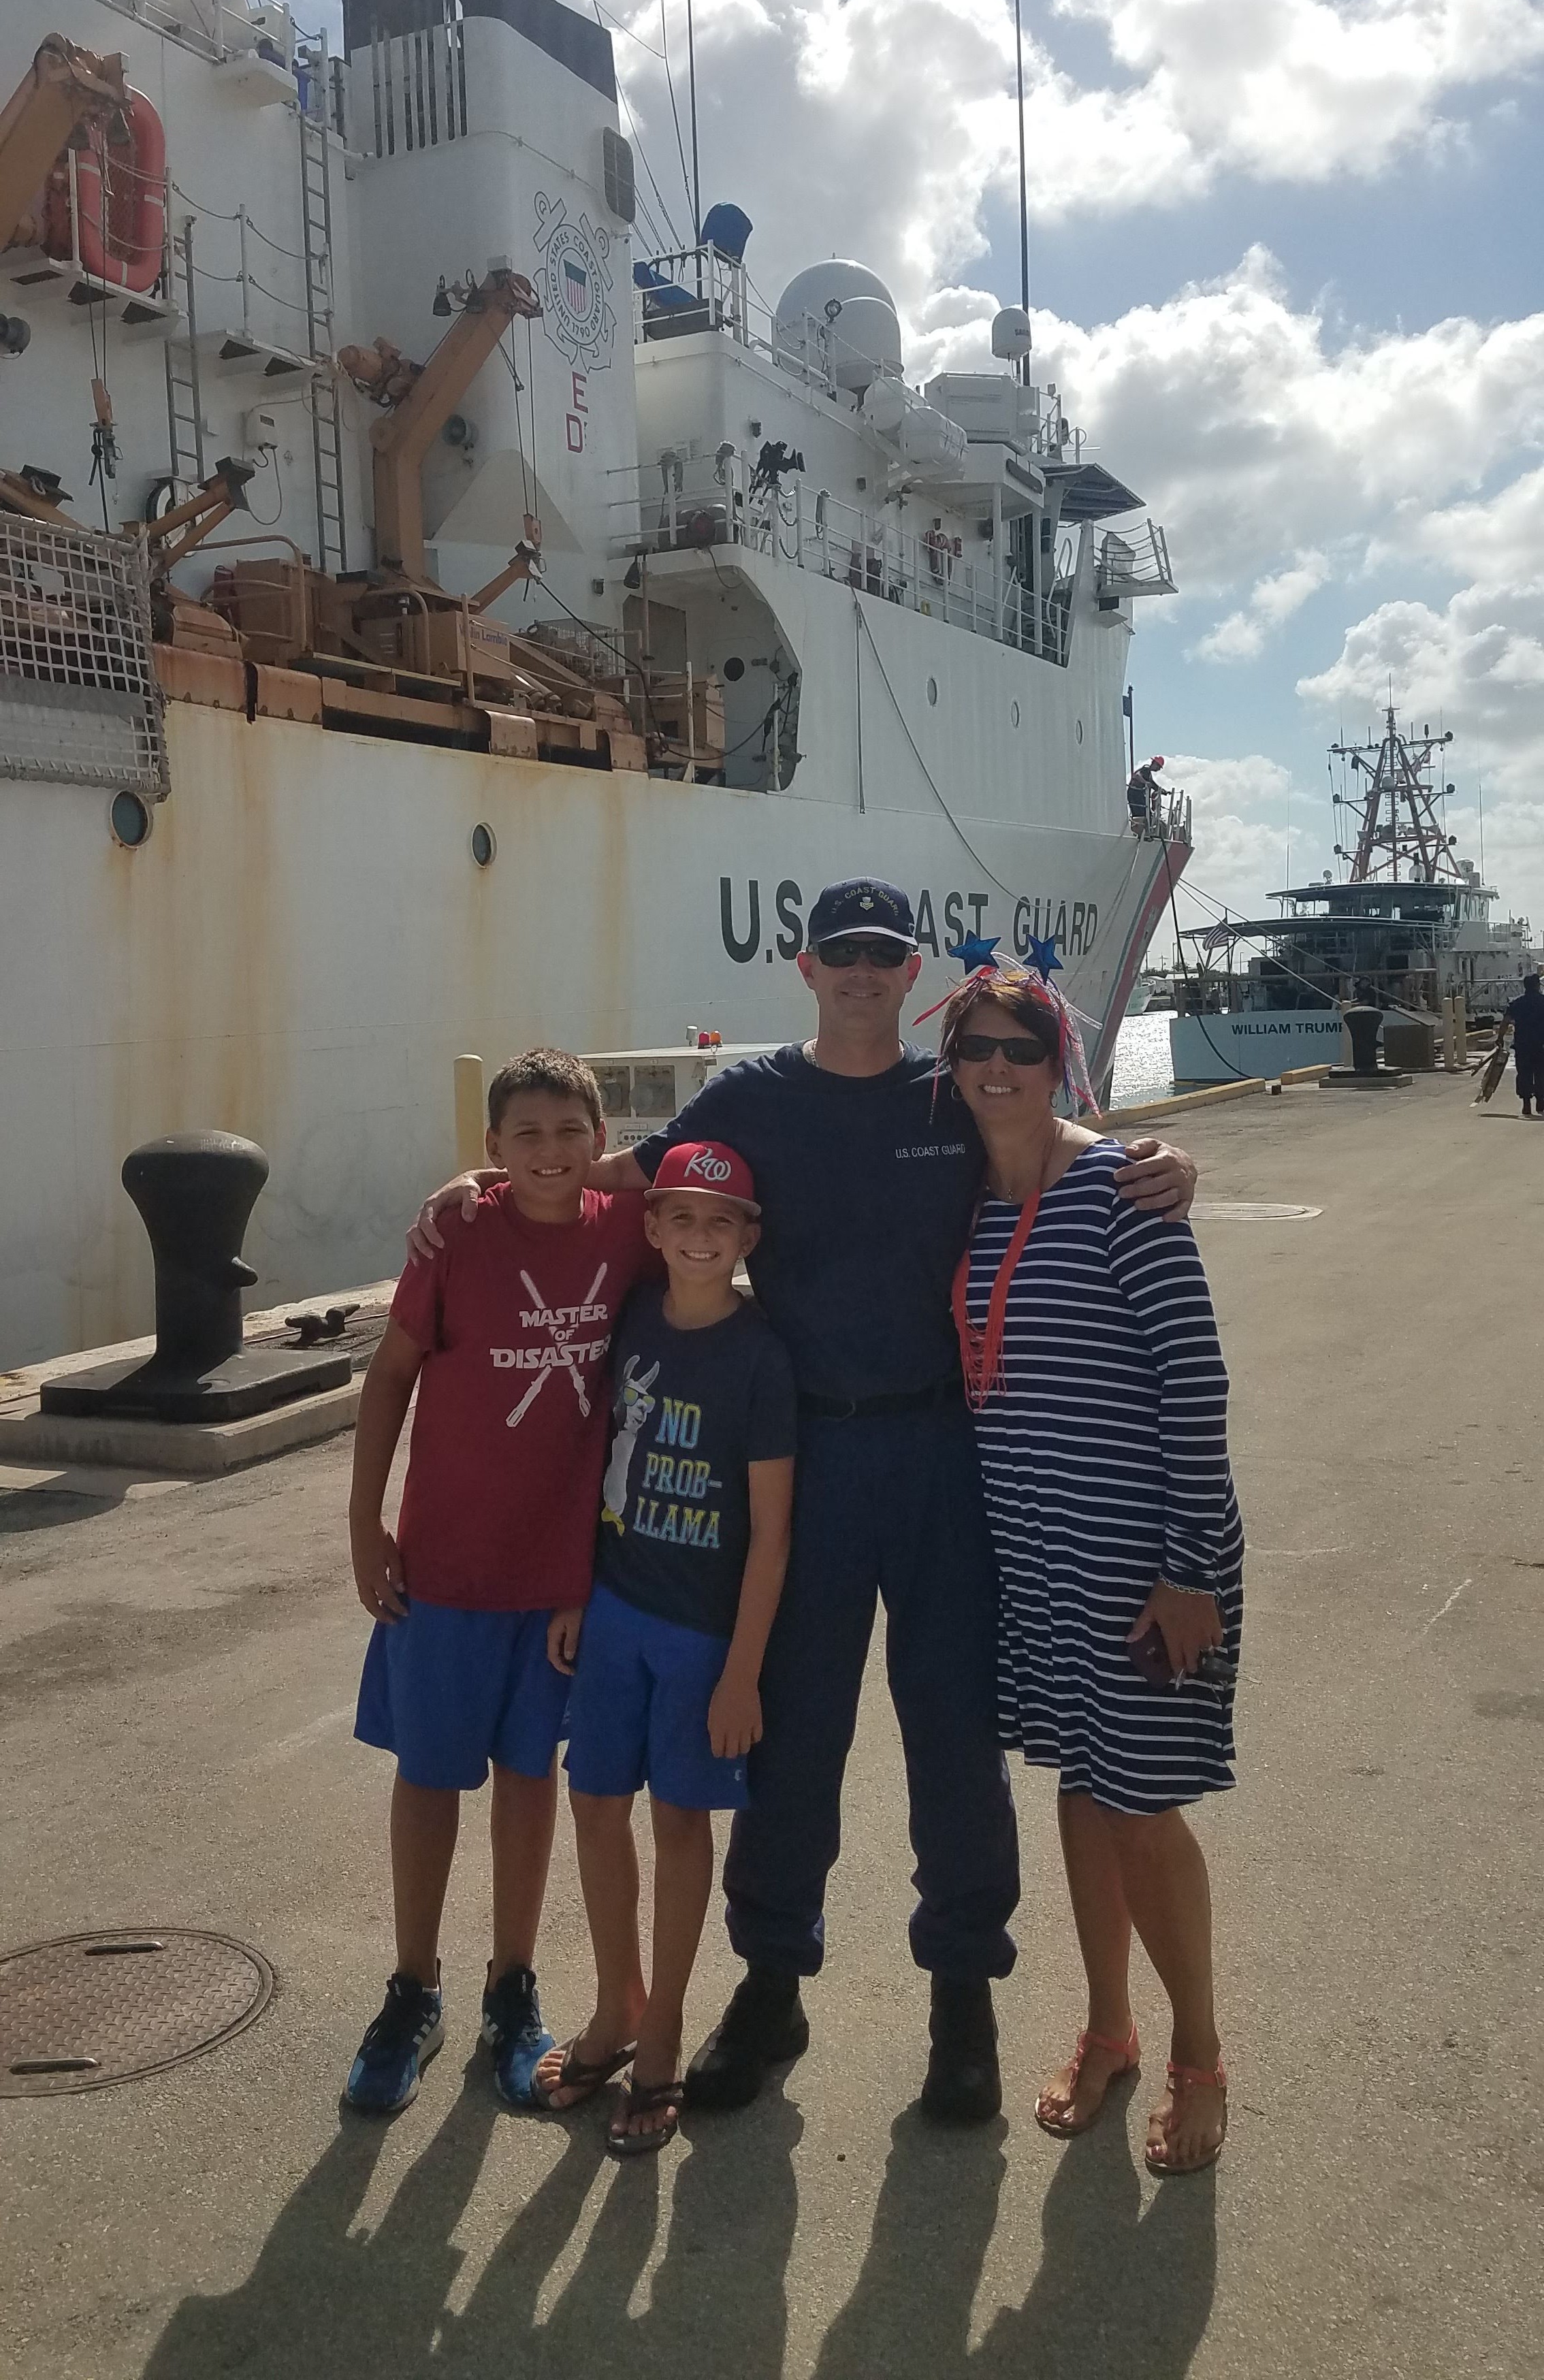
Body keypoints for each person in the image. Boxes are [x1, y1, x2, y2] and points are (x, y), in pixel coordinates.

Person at [408, 879, 1199, 2127]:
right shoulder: (750, 1098)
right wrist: (485, 1184)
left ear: (908, 967)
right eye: (842, 952)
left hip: (945, 1456)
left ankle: (961, 2005)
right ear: (806, 964)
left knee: (954, 1745)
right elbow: (621, 1177)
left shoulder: (953, 1090)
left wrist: (1157, 1154)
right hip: (806, 1456)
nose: (862, 971)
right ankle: (771, 1985)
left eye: (884, 954)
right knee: (789, 1738)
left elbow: (1047, 1149)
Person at [942, 958, 1242, 2175]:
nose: (996, 1068)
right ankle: (1108, 2026)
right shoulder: (964, 1198)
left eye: (1020, 1046)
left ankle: (1199, 2056)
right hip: (1035, 1555)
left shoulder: (1122, 1188)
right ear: (951, 1065)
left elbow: (1194, 1387)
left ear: (1055, 1057)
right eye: (975, 1048)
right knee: (1077, 1786)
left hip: (1139, 1562)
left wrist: (1188, 1571)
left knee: (1138, 1805)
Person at [343, 1048, 656, 2117]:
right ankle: (413, 1986)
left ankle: (510, 1986)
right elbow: (391, 1374)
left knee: (532, 1778)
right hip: (446, 1565)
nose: (551, 1155)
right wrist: (363, 1524)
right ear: (491, 1151)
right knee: (429, 1776)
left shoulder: (628, 1231)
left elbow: (726, 1185)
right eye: (524, 1136)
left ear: (600, 1137)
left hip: (561, 1576)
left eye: (571, 1133)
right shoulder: (459, 1235)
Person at [536, 1140, 797, 2154]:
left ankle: (666, 2030)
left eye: (719, 1223)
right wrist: (574, 1596)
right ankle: (617, 2000)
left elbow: (772, 1532)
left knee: (681, 1824)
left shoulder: (760, 1356)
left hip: (697, 1634)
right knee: (595, 1804)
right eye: (680, 1218)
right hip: (613, 1611)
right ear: (652, 1229)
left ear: (749, 1239)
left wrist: (742, 1670)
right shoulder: (636, 1317)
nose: (697, 1237)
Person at [1502, 970, 1544, 1117]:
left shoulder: (1517, 1003)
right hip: (1541, 1045)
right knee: (1541, 1073)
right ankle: (1541, 1101)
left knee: (1524, 1074)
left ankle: (1526, 1102)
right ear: (1538, 986)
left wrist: (1500, 1038)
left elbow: (1506, 1021)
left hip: (1523, 1044)